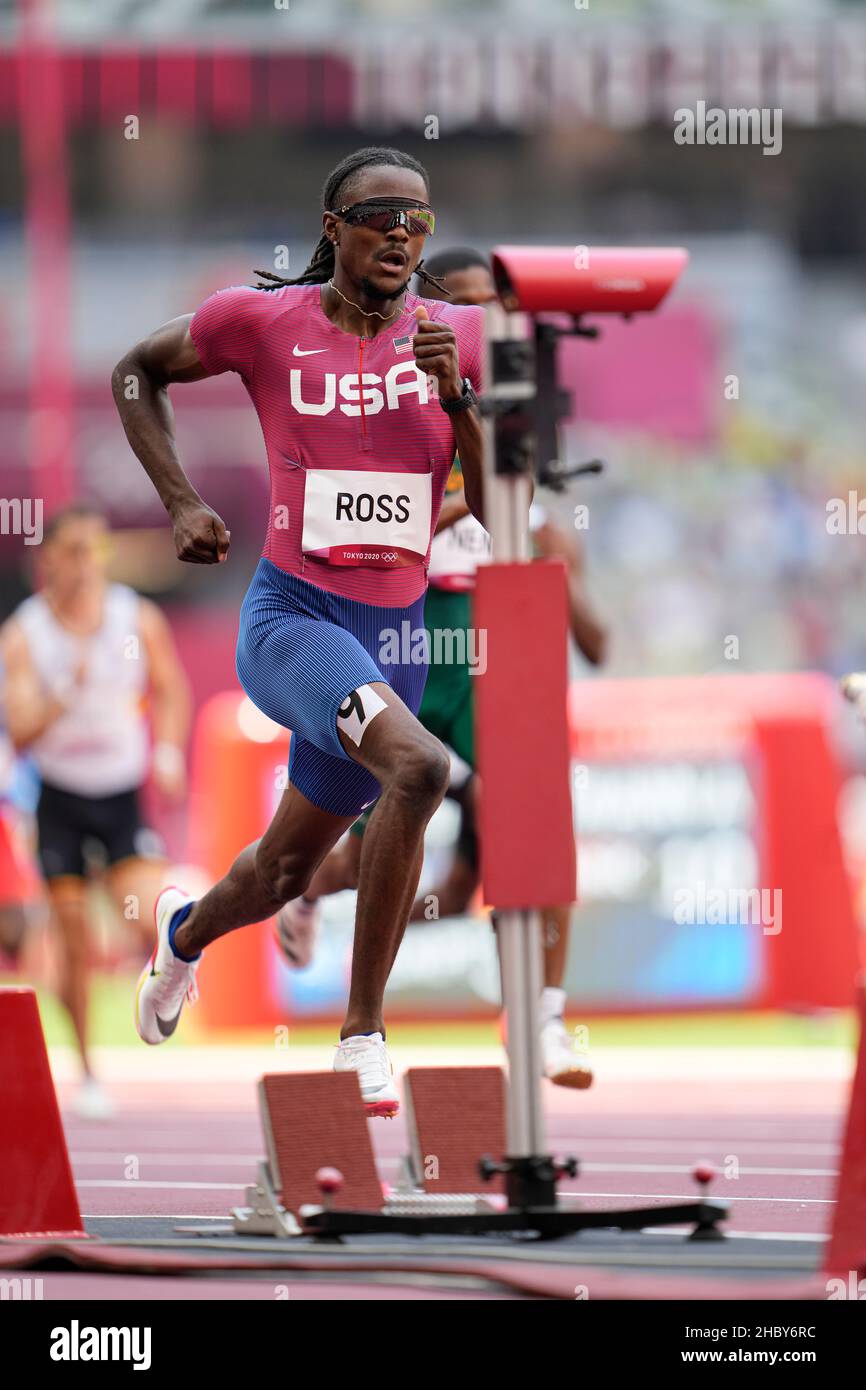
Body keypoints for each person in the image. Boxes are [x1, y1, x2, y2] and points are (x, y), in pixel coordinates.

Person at [112, 147, 485, 1118]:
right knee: (421, 770)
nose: (401, 234)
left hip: (394, 635)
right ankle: (361, 1032)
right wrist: (181, 502)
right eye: (379, 215)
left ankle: (184, 934)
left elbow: (491, 512)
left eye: (418, 221)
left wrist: (461, 407)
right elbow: (133, 374)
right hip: (295, 619)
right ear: (333, 228)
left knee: (280, 872)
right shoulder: (262, 322)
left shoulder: (456, 341)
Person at [276, 249, 608, 1088]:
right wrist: (465, 489)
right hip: (414, 623)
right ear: (426, 311)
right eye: (457, 307)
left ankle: (543, 1016)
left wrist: (536, 530)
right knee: (393, 837)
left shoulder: (522, 385)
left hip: (500, 621)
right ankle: (312, 888)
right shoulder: (389, 378)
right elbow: (399, 500)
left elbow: (518, 486)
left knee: (532, 817)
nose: (475, 323)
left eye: (489, 306)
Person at [0, 505, 190, 1117]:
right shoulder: (26, 635)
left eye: (96, 552)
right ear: (47, 559)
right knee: (75, 937)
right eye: (74, 552)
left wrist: (165, 750)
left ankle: (167, 974)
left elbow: (170, 688)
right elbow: (22, 731)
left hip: (119, 791)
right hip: (59, 797)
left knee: (145, 914)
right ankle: (86, 1071)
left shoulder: (136, 617)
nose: (86, 567)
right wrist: (63, 692)